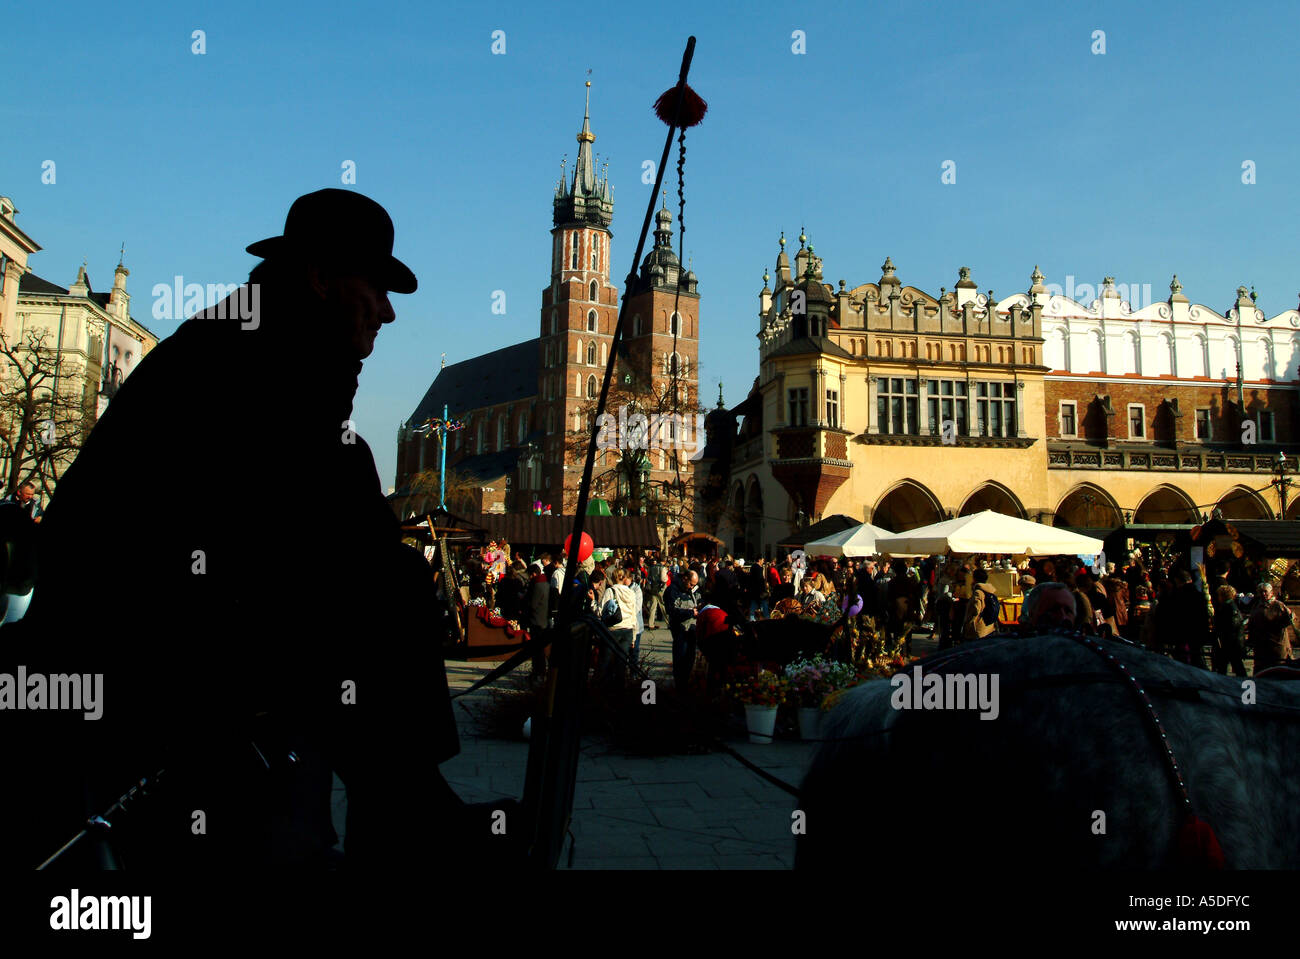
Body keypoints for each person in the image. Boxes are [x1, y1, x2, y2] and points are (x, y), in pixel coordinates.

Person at [9, 189, 501, 871]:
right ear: (320, 278)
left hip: (162, 660)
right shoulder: (255, 369)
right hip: (136, 680)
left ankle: (403, 801)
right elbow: (315, 527)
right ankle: (402, 804)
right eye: (376, 286)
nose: (387, 311)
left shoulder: (260, 350)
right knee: (390, 582)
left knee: (388, 580)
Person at [665, 569, 701, 690]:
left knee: (690, 657)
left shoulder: (693, 589)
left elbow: (700, 600)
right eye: (691, 584)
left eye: (694, 585)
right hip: (680, 628)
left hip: (692, 628)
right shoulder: (672, 590)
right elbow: (672, 611)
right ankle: (680, 684)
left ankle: (686, 682)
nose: (692, 587)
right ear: (685, 578)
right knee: (681, 656)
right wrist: (691, 612)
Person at [1249, 582, 1294, 674]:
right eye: (1260, 592)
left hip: (1277, 647)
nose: (1263, 594)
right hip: (1261, 647)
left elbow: (1290, 620)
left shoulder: (1278, 605)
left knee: (1278, 673)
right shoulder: (1256, 606)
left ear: (1271, 592)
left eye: (1265, 591)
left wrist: (1289, 616)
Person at [1211, 584, 1248, 677]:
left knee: (1232, 667)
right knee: (1234, 666)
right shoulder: (1230, 606)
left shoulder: (1228, 608)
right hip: (1231, 643)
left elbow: (1230, 627)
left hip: (1229, 644)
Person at [525, 561, 554, 679]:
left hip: (537, 620)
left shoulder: (537, 585)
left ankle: (538, 671)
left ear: (534, 574)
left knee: (537, 649)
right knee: (541, 648)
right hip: (544, 619)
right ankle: (540, 671)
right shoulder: (546, 583)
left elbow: (533, 604)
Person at [962, 568, 1000, 641]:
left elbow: (975, 610)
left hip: (978, 629)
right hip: (989, 628)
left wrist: (968, 625)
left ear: (974, 578)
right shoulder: (990, 591)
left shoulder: (978, 593)